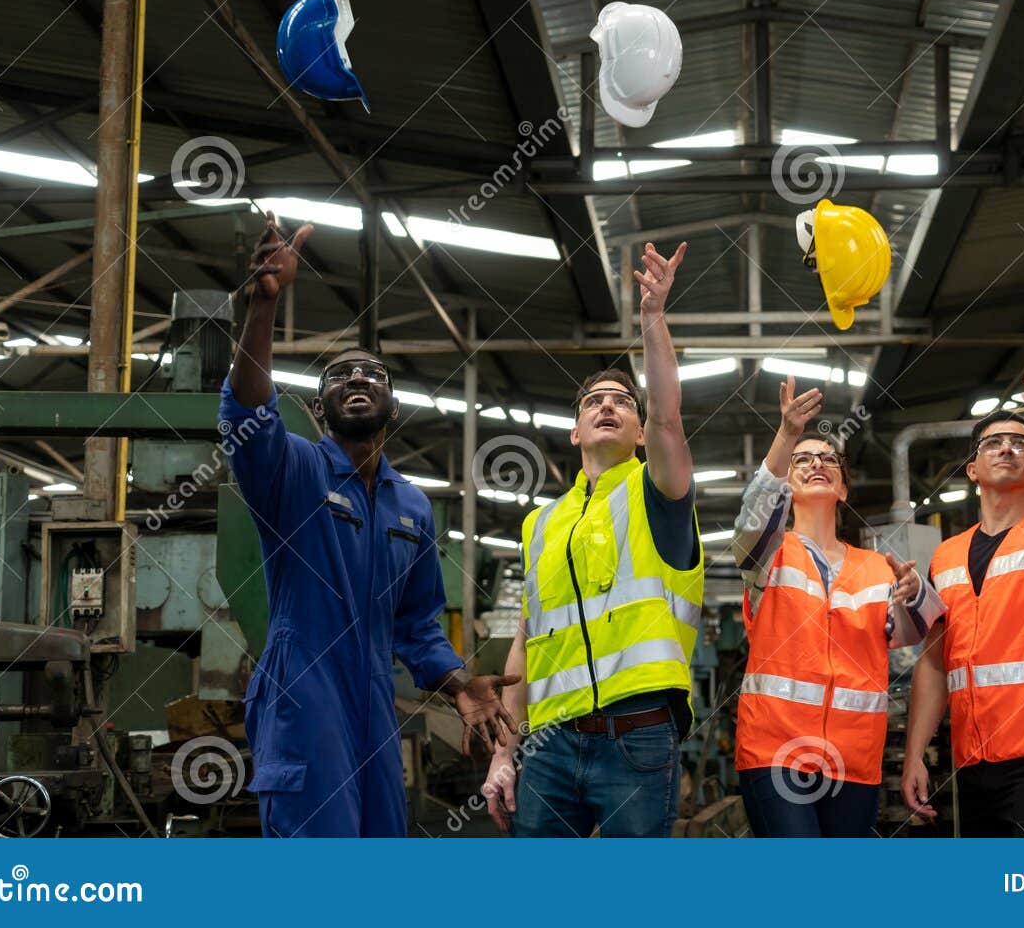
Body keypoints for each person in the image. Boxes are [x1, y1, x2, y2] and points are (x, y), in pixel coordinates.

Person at [222, 214, 516, 837]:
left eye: (372, 374)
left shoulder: (411, 506)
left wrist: (459, 682)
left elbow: (416, 624)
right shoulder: (295, 473)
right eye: (339, 377)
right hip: (304, 696)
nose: (356, 378)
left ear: (393, 406)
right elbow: (248, 409)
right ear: (319, 406)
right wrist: (262, 307)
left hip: (377, 707)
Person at [483, 241, 703, 837]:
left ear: (637, 429)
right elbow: (525, 646)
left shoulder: (657, 494)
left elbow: (669, 418)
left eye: (622, 403)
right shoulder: (541, 524)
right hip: (551, 748)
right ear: (576, 431)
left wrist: (653, 321)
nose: (609, 406)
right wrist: (504, 753)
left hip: (637, 737)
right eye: (594, 403)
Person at [730, 376, 944, 836]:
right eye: (802, 461)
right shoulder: (768, 556)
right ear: (786, 484)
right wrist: (786, 434)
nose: (816, 465)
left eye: (828, 460)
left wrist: (915, 593)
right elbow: (750, 524)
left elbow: (919, 633)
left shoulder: (876, 566)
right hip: (775, 752)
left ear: (844, 489)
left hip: (855, 761)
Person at [901, 363, 1024, 837]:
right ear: (972, 470)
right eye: (993, 442)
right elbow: (934, 662)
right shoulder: (946, 556)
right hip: (973, 761)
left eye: (1022, 443)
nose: (1008, 447)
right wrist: (915, 755)